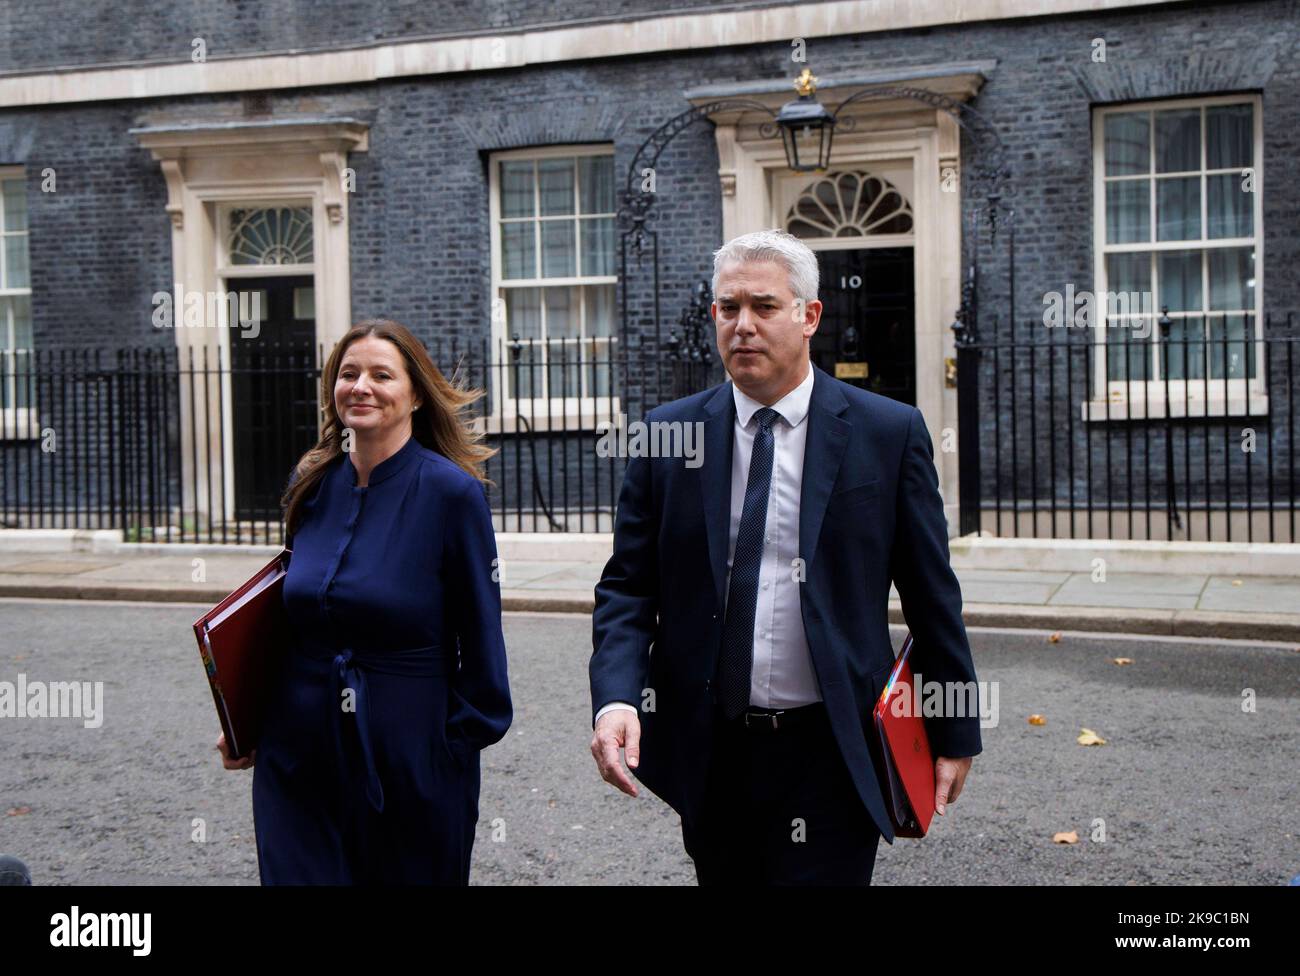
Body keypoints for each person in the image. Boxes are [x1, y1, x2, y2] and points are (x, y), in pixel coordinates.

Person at [589, 229, 982, 885]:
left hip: (832, 749)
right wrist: (617, 700)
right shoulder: (667, 437)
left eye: (764, 306)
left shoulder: (887, 434)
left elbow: (931, 595)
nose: (742, 325)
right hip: (715, 751)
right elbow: (629, 589)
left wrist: (954, 729)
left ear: (809, 316)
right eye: (727, 307)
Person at [217, 319, 512, 885]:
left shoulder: (452, 494)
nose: (361, 386)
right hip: (297, 752)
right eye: (348, 374)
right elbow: (286, 616)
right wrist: (247, 718)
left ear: (416, 394)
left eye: (381, 374)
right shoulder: (311, 482)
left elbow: (480, 633)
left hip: (409, 753)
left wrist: (452, 748)